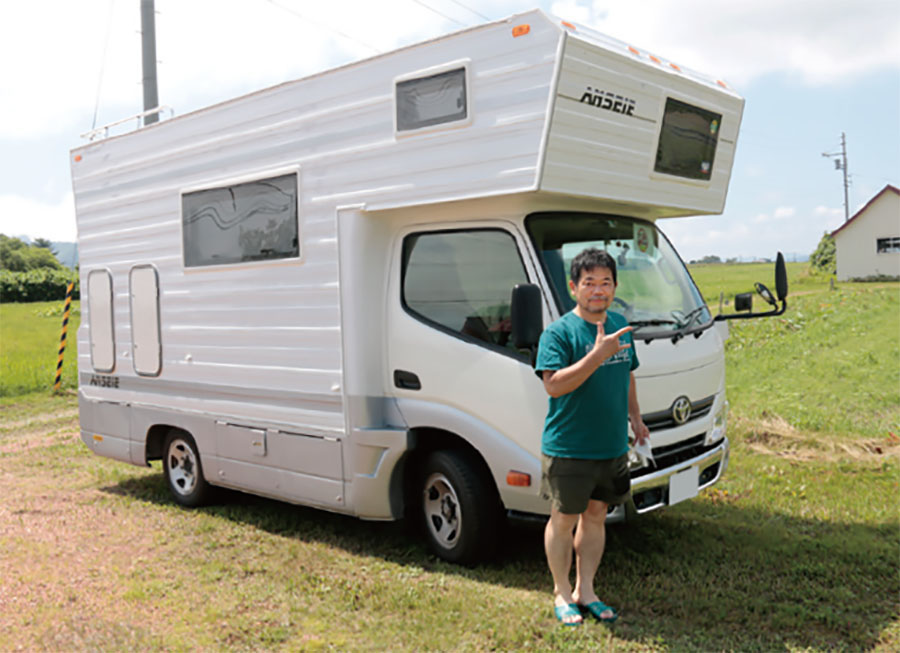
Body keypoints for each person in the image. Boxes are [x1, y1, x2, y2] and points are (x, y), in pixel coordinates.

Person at [535, 247, 650, 626]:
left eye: (605, 282)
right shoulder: (558, 333)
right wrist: (596, 355)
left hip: (611, 446)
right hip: (569, 447)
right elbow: (554, 387)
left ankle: (587, 590)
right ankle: (561, 593)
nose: (598, 290)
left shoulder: (619, 325)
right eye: (589, 283)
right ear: (573, 288)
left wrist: (635, 418)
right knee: (564, 519)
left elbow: (628, 374)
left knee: (597, 515)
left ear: (615, 287)